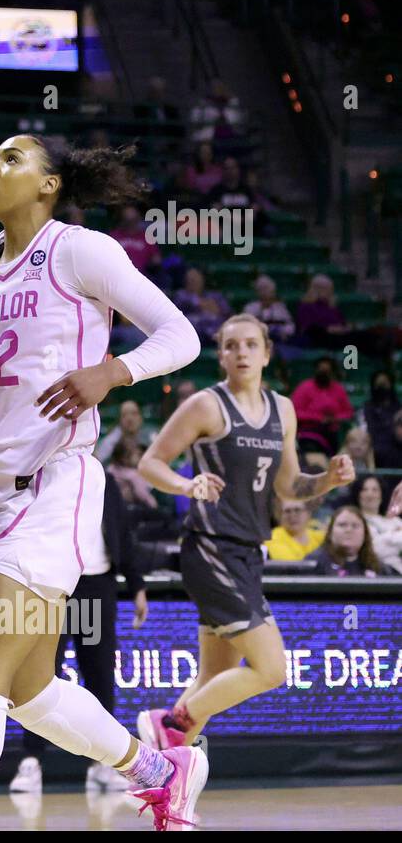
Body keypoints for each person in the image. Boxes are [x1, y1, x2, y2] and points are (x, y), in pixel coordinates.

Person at [0, 135, 204, 832]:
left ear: (49, 183)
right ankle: (159, 770)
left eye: (11, 159)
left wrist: (111, 371)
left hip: (52, 486)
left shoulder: (79, 250)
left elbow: (180, 334)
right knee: (29, 690)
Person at [137, 314, 355, 753]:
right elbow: (150, 464)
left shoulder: (284, 410)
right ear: (220, 355)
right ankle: (169, 723)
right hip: (210, 548)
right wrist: (187, 484)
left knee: (213, 679)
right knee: (272, 668)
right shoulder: (206, 405)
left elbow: (289, 486)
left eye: (250, 345)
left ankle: (162, 777)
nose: (241, 353)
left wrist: (328, 480)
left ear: (267, 353)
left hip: (249, 553)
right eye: (231, 345)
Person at [9, 466, 149, 795]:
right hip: (52, 581)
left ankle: (105, 763)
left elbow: (122, 531)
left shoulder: (105, 477)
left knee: (99, 672)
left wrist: (137, 584)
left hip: (96, 585)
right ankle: (31, 760)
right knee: (41, 675)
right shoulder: (43, 469)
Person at [290, 357, 354, 458]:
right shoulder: (305, 387)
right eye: (321, 369)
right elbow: (294, 411)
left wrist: (334, 418)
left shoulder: (338, 389)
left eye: (327, 370)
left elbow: (348, 412)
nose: (323, 373)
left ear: (332, 373)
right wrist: (318, 418)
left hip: (333, 432)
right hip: (309, 432)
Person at [306, 506, 390, 577]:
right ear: (330, 532)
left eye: (355, 526)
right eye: (342, 525)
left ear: (365, 534)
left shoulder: (378, 567)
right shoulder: (313, 564)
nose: (349, 530)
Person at [351, 475, 402, 574]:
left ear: (381, 494)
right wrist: (395, 534)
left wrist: (384, 538)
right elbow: (373, 550)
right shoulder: (354, 521)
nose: (370, 494)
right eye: (364, 490)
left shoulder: (395, 521)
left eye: (375, 490)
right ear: (358, 494)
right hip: (378, 573)